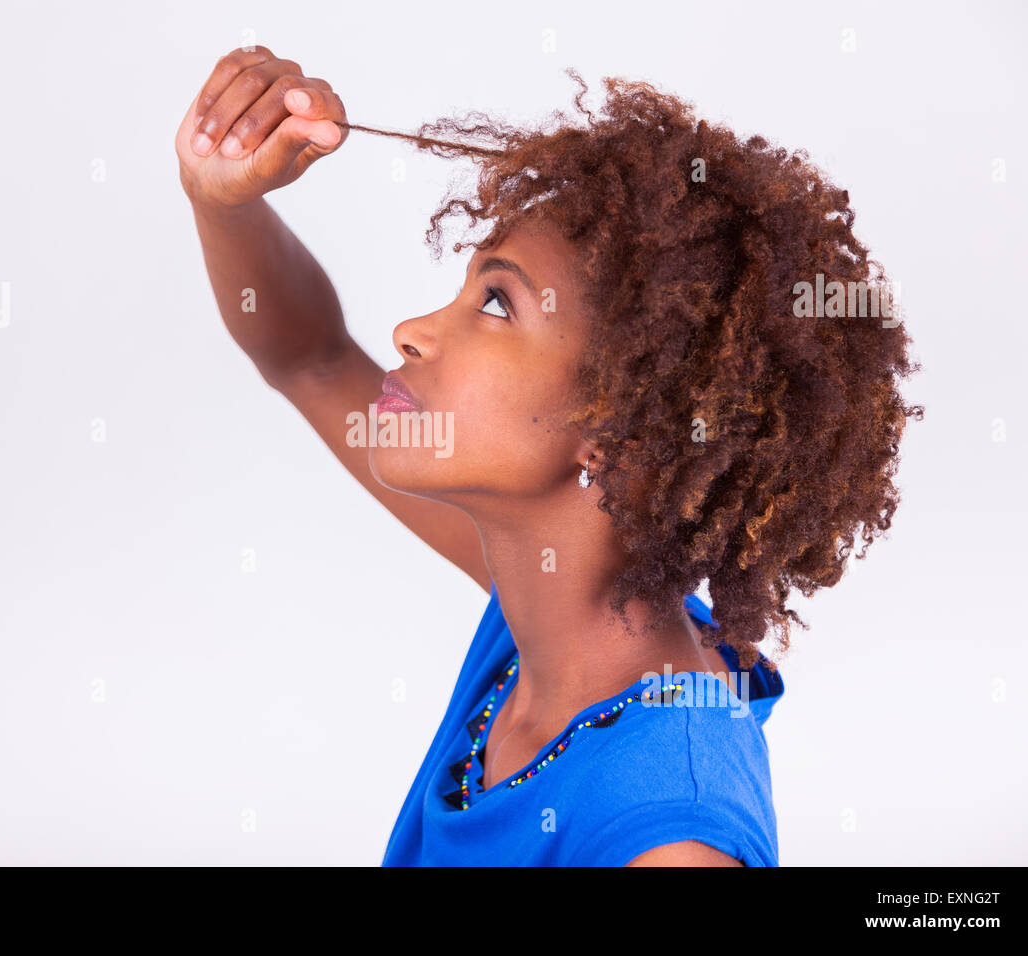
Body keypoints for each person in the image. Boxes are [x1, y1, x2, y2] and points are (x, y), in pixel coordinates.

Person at [176, 46, 923, 866]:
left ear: (621, 428)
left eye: (498, 303)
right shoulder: (549, 611)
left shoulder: (670, 833)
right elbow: (307, 355)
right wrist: (224, 198)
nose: (413, 332)